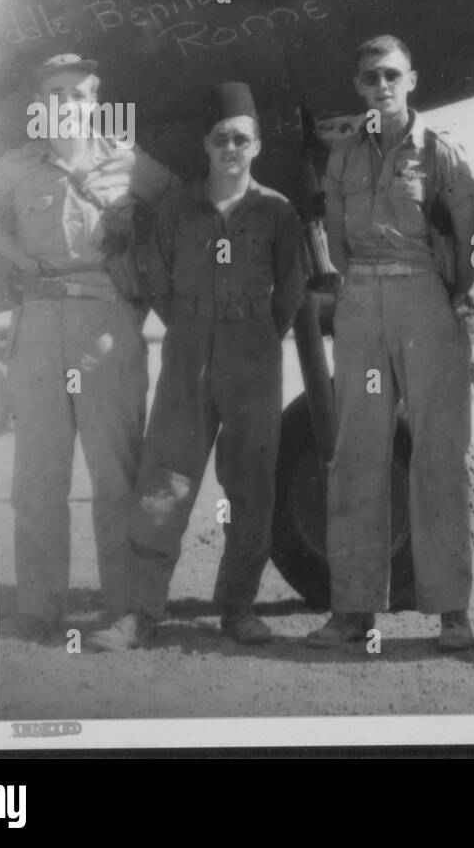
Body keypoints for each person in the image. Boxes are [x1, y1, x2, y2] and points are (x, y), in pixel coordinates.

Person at [88, 83, 305, 650]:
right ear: (205, 146)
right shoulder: (176, 209)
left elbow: (292, 291)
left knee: (251, 485)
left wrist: (252, 331)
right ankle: (138, 614)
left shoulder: (278, 212)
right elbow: (157, 280)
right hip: (187, 349)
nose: (230, 148)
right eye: (220, 139)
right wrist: (195, 324)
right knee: (165, 480)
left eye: (241, 139)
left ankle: (237, 608)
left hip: (254, 354)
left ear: (256, 145)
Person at [0, 53, 176, 643]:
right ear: (39, 107)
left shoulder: (131, 165)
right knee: (36, 476)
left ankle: (125, 610)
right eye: (55, 93)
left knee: (115, 474)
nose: (66, 103)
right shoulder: (14, 167)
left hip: (105, 326)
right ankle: (39, 606)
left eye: (77, 93)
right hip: (39, 322)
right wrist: (16, 259)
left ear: (96, 102)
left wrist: (143, 275)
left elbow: (179, 218)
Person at [305, 36, 474, 652]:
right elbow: (336, 236)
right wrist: (358, 294)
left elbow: (468, 238)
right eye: (371, 76)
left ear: (413, 80)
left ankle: (452, 611)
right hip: (361, 304)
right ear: (358, 85)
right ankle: (353, 609)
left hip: (424, 301)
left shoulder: (441, 152)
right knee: (356, 452)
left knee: (439, 452)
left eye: (393, 75)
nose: (382, 85)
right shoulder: (344, 155)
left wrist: (457, 296)